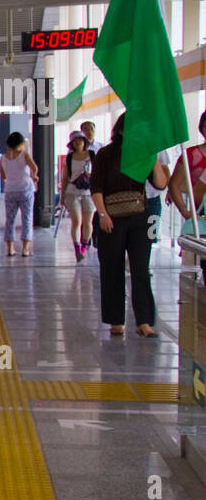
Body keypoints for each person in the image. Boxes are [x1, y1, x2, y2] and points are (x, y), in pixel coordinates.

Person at [90, 114, 170, 337]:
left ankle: (144, 321)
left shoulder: (143, 153)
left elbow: (161, 184)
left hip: (139, 216)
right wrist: (102, 213)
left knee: (141, 269)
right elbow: (96, 186)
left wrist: (153, 158)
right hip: (111, 218)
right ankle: (116, 320)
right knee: (112, 268)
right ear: (122, 131)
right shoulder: (106, 154)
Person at [0, 132, 39, 256]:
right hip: (25, 189)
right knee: (27, 218)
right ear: (21, 143)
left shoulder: (3, 157)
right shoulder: (24, 155)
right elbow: (35, 167)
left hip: (10, 190)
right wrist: (34, 175)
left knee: (10, 220)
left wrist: (11, 179)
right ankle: (25, 249)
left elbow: (3, 176)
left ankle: (10, 249)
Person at [59, 130, 95, 262]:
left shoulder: (92, 155)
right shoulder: (69, 158)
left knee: (87, 222)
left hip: (89, 192)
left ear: (85, 142)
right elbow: (65, 178)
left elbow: (98, 173)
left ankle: (85, 246)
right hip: (72, 191)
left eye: (80, 140)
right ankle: (77, 248)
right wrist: (62, 196)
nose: (78, 142)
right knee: (76, 221)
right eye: (75, 140)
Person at [168, 111, 206, 222]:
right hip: (201, 215)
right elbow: (174, 184)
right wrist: (184, 211)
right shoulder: (191, 154)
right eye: (205, 126)